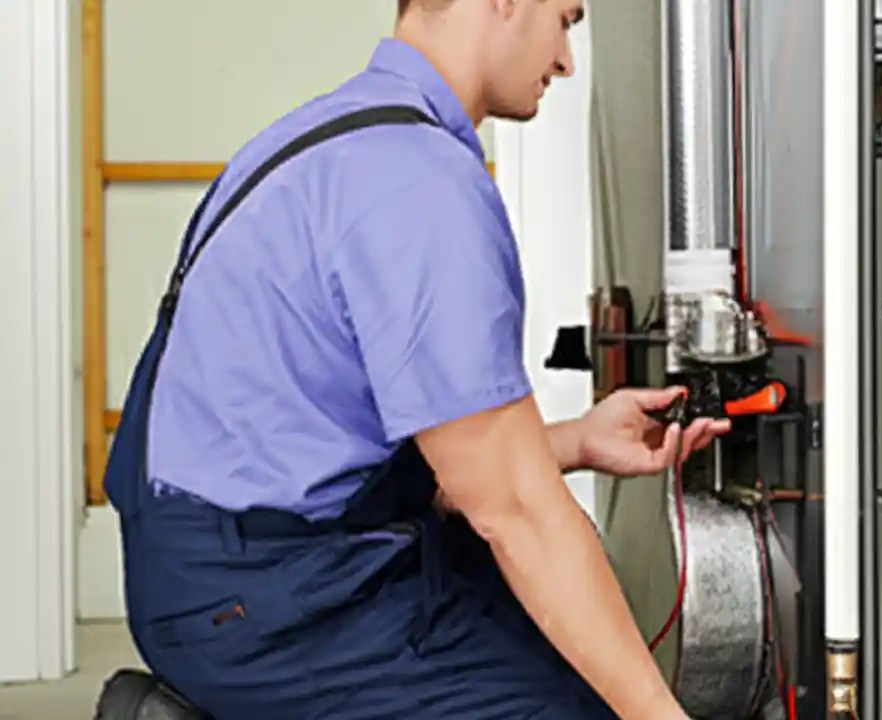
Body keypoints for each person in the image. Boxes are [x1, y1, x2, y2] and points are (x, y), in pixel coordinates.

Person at [102, 1, 729, 718]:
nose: (565, 59)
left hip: (224, 570)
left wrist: (577, 441)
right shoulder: (420, 183)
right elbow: (515, 512)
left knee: (562, 646)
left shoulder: (318, 139)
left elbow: (364, 455)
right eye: (564, 19)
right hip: (262, 602)